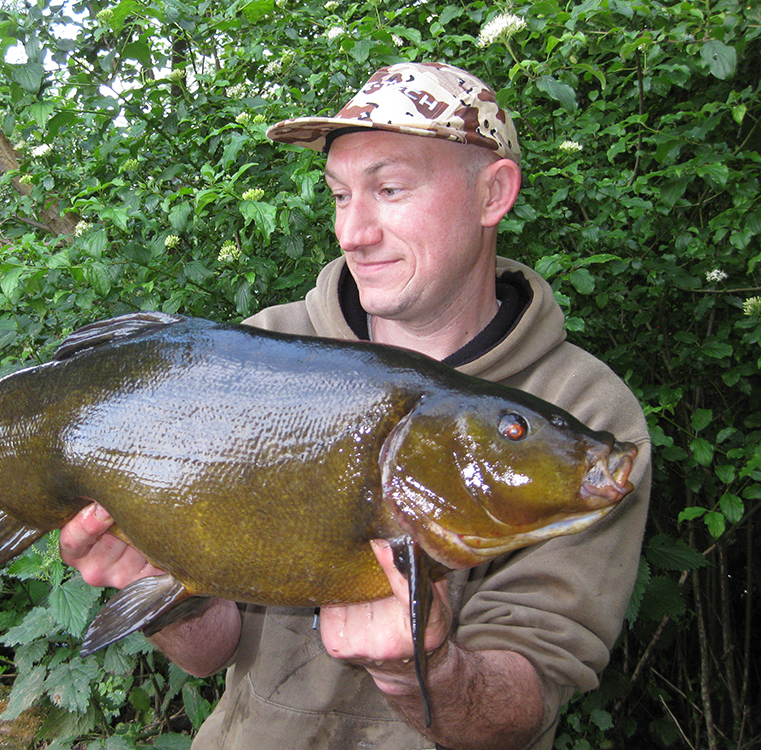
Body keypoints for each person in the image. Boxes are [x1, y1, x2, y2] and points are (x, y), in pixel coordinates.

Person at [60, 62, 652, 750]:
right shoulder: (266, 350)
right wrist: (152, 582)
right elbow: (210, 652)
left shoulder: (582, 414)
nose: (352, 232)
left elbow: (520, 710)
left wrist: (423, 671)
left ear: (493, 193)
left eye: (390, 190)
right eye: (340, 196)